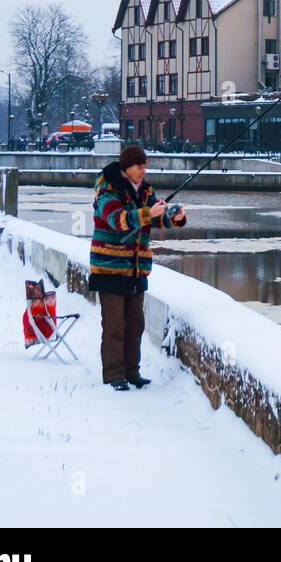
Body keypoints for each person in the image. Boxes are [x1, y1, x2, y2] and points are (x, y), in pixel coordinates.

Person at [88, 145, 187, 390]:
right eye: (140, 166)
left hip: (136, 268)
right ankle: (114, 375)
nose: (144, 171)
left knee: (135, 324)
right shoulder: (107, 190)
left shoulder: (145, 191)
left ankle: (132, 372)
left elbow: (155, 216)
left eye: (145, 166)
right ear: (127, 167)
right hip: (110, 267)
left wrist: (173, 217)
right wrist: (147, 213)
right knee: (114, 325)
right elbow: (117, 220)